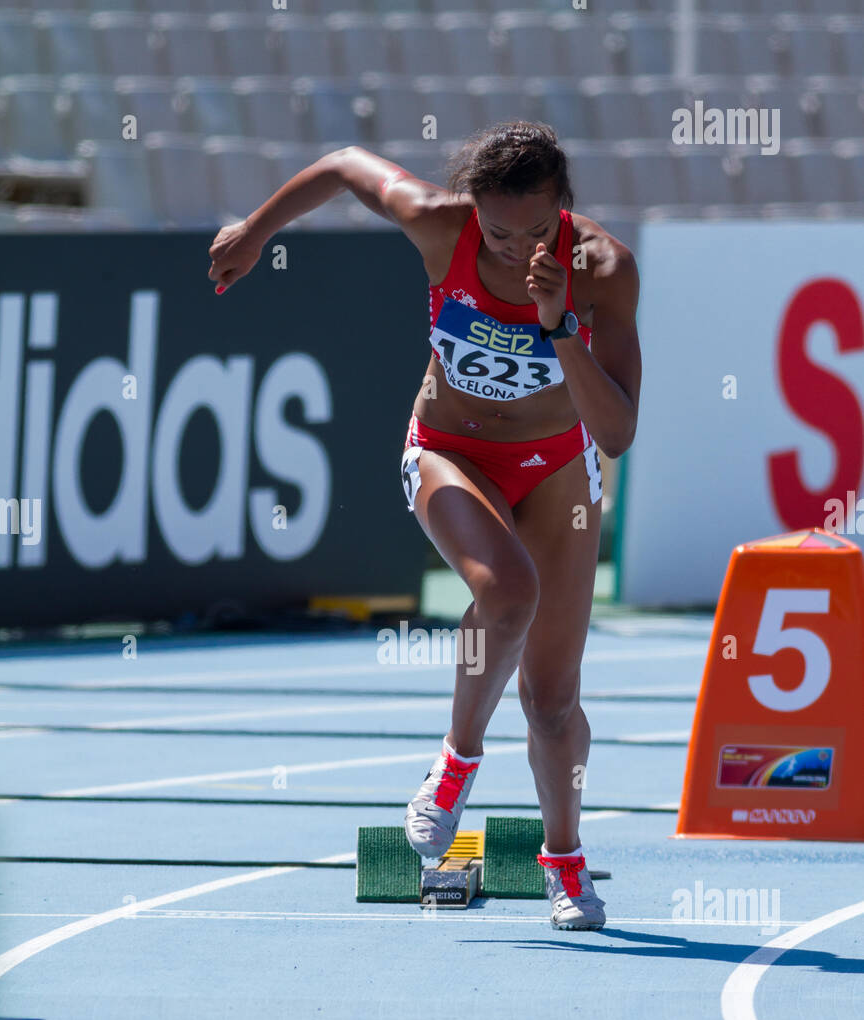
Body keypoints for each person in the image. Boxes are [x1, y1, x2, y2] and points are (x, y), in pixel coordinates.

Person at [208, 122, 641, 928]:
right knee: (507, 592)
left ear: (566, 211)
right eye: (500, 232)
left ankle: (565, 863)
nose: (517, 250)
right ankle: (455, 765)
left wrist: (559, 327)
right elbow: (339, 162)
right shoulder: (438, 223)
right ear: (471, 209)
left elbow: (616, 432)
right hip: (448, 450)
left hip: (556, 472)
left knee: (552, 703)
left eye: (538, 231)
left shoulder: (603, 270)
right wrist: (255, 232)